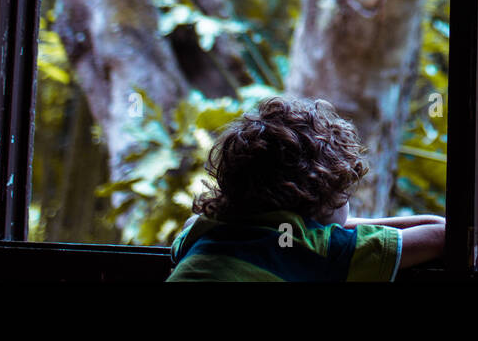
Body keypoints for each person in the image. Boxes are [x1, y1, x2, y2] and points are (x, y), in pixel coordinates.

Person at [165, 94, 445, 281]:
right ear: (323, 200)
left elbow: (192, 224)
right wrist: (329, 227)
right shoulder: (317, 246)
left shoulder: (206, 229)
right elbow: (442, 232)